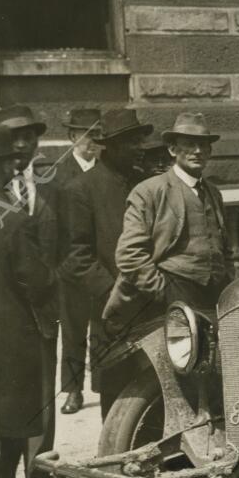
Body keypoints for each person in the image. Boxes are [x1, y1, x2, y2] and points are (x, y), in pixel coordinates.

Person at [0, 105, 81, 478]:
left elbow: (67, 243)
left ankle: (41, 475)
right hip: (0, 313)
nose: (21, 145)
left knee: (43, 394)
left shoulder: (53, 186)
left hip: (44, 308)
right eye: (13, 137)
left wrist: (54, 288)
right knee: (3, 398)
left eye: (28, 137)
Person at [0, 125, 58, 478]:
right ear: (4, 165)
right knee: (7, 431)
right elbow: (37, 280)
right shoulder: (8, 215)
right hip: (5, 339)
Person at [61, 109, 154, 418]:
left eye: (141, 140)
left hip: (153, 309)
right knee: (118, 406)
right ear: (110, 146)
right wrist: (115, 292)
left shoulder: (147, 185)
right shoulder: (82, 190)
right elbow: (77, 256)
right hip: (111, 314)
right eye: (132, 142)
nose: (140, 147)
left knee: (157, 394)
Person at [105, 113, 232, 333]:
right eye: (189, 144)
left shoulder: (213, 193)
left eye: (203, 145)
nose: (198, 151)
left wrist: (227, 278)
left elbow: (225, 247)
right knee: (180, 360)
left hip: (214, 292)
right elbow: (129, 255)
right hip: (174, 291)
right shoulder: (150, 192)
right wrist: (161, 290)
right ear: (172, 150)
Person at [53, 109, 104, 415]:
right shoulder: (58, 175)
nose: (92, 143)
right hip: (71, 268)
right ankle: (73, 391)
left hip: (100, 268)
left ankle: (102, 383)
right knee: (72, 333)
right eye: (86, 135)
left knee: (101, 330)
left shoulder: (106, 171)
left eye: (97, 136)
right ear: (72, 137)